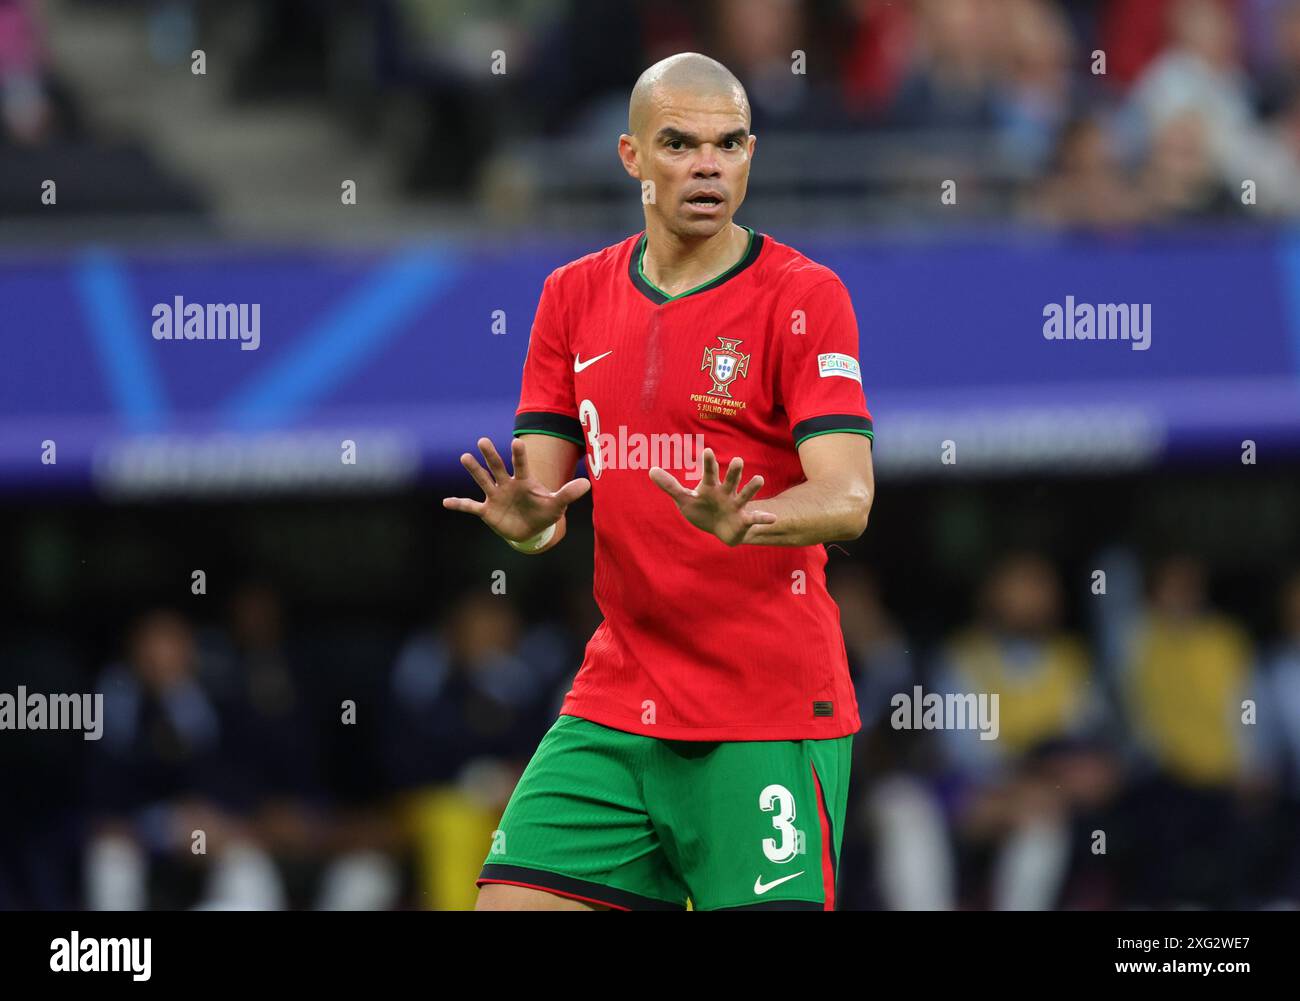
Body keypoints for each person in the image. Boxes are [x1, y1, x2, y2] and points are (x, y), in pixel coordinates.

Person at [444, 52, 875, 910]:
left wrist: (747, 519)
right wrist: (525, 520)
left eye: (730, 144)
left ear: (751, 156)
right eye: (679, 143)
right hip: (619, 697)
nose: (708, 165)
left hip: (764, 708)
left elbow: (849, 498)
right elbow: (545, 512)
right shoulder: (569, 297)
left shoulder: (804, 295)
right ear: (631, 156)